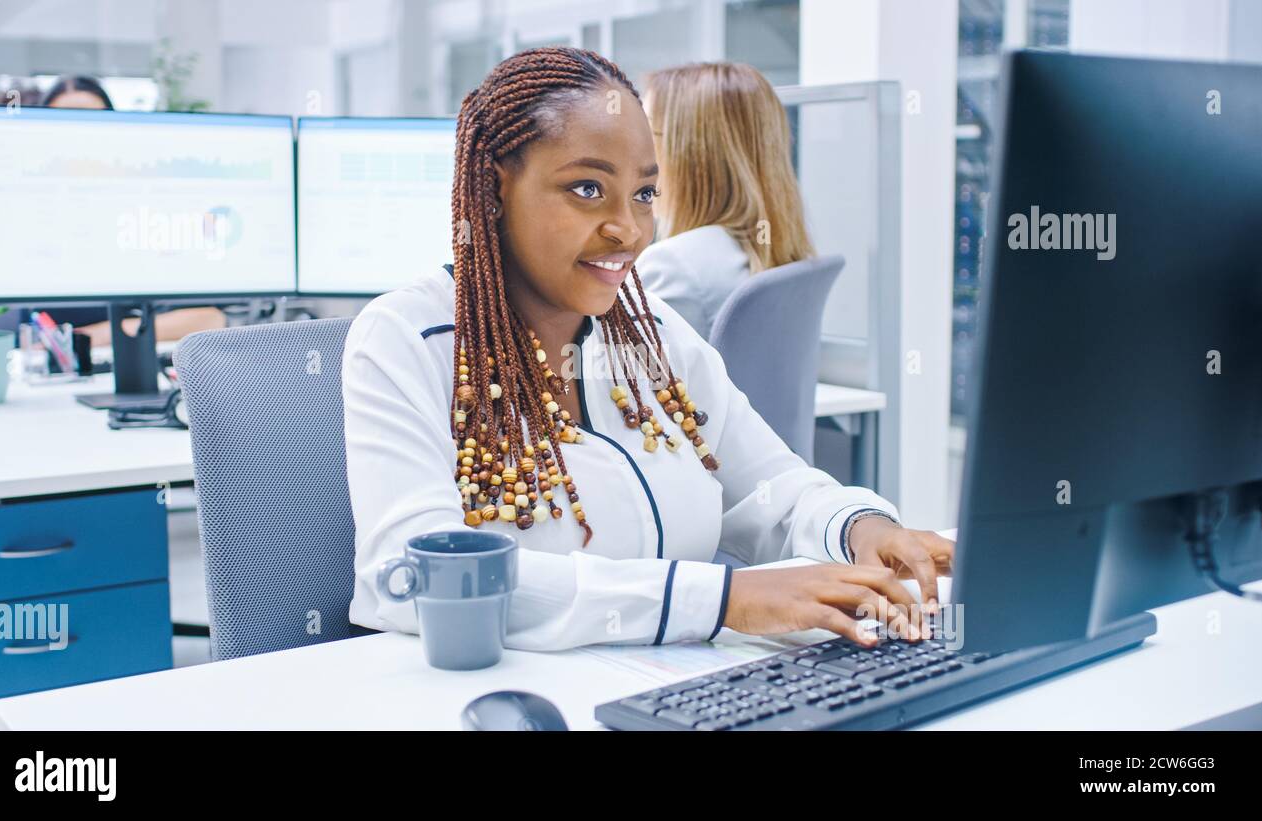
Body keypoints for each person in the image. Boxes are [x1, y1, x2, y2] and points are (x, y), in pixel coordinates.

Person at [343, 47, 952, 652]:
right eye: (587, 188)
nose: (629, 230)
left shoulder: (648, 329)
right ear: (495, 189)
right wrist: (721, 602)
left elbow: (772, 488)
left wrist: (857, 527)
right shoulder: (404, 340)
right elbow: (411, 574)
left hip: (682, 692)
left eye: (643, 194)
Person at [39, 75, 227, 347]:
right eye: (64, 124)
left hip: (127, 366)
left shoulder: (146, 211)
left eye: (94, 123)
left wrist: (92, 337)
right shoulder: (36, 220)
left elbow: (207, 319)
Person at [635, 62, 814, 341]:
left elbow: (626, 383)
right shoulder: (782, 250)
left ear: (687, 152)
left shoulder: (672, 266)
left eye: (645, 134)